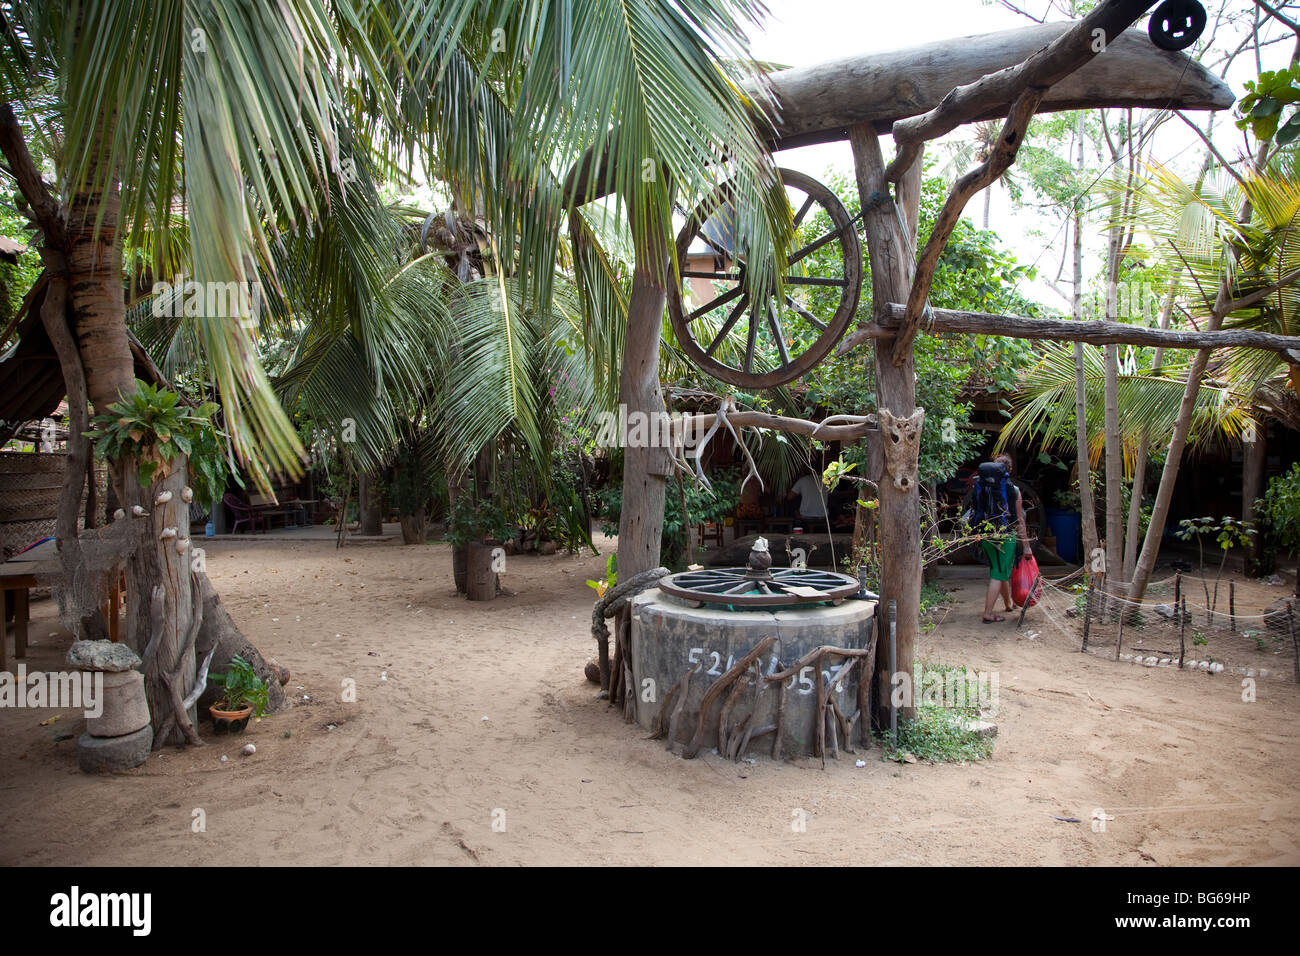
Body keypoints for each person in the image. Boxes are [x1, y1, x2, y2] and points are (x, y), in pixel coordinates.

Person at [968, 452, 1028, 623]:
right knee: (999, 573)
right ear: (1008, 470)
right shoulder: (1014, 490)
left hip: (986, 534)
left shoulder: (981, 486)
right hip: (1005, 536)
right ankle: (987, 613)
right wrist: (1027, 546)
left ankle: (1008, 603)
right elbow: (1019, 519)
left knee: (998, 569)